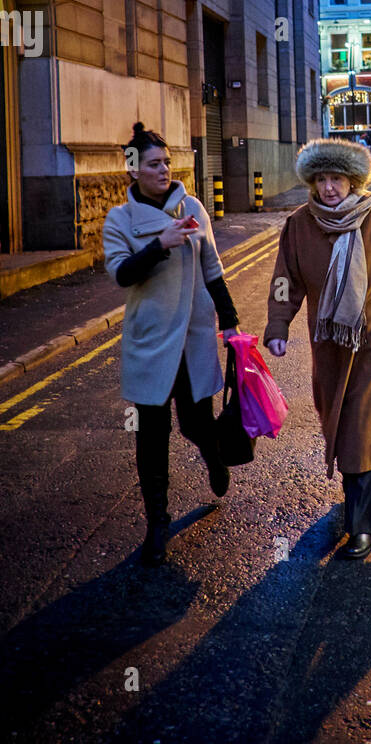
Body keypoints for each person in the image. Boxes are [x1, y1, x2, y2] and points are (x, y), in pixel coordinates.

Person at [263, 137, 371, 558]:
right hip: (328, 342)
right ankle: (353, 503)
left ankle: (362, 524)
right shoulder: (299, 224)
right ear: (313, 182)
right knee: (338, 418)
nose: (330, 187)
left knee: (364, 425)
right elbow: (285, 280)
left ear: (354, 181)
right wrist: (278, 325)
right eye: (322, 179)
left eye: (338, 178)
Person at [102, 123, 241, 567]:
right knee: (150, 434)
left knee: (197, 423)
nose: (164, 170)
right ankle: (156, 525)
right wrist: (159, 244)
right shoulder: (119, 220)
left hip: (195, 340)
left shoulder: (192, 205)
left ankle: (214, 455)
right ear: (133, 169)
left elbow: (213, 270)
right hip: (151, 343)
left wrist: (232, 325)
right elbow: (122, 275)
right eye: (153, 164)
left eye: (166, 162)